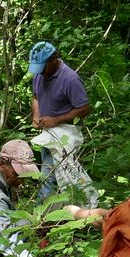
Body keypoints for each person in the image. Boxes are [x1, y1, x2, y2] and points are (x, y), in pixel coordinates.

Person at [27, 41, 99, 206]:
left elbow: (84, 108)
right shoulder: (39, 75)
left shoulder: (70, 79)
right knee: (56, 174)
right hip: (47, 134)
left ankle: (44, 213)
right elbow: (36, 97)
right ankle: (63, 209)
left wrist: (56, 120)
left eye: (43, 67)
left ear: (53, 59)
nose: (40, 72)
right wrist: (36, 115)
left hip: (65, 134)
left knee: (49, 174)